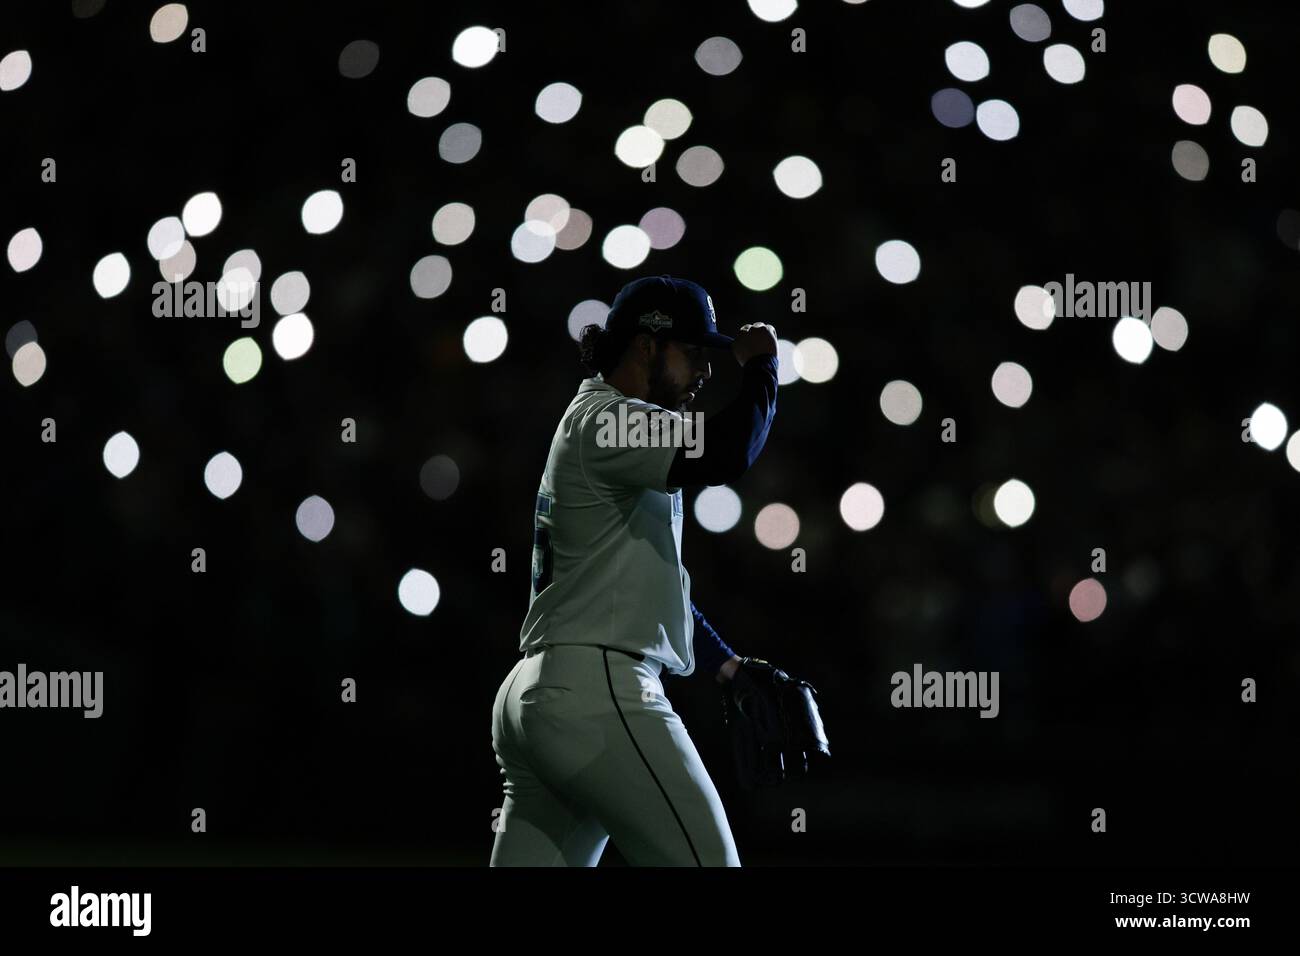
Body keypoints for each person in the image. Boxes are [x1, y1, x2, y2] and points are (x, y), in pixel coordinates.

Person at [489, 275, 779, 866]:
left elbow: (645, 578)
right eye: (693, 351)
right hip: (597, 687)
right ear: (646, 346)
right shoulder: (608, 418)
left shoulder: (607, 425)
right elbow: (729, 452)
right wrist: (763, 370)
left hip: (545, 691)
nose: (704, 370)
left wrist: (724, 665)